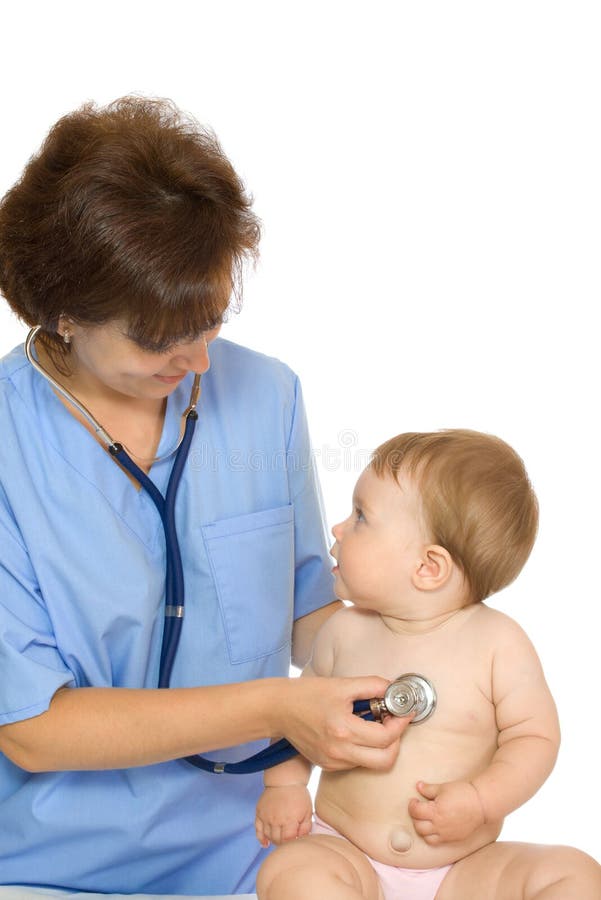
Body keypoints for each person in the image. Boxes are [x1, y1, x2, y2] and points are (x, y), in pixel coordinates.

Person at [0, 97, 408, 895]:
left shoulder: (268, 396)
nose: (199, 363)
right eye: (157, 339)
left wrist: (443, 635)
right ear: (62, 314)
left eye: (211, 321)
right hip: (54, 868)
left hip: (260, 843)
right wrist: (275, 709)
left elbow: (309, 617)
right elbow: (32, 729)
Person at [255, 430, 601, 899]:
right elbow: (300, 717)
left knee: (574, 874)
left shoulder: (498, 643)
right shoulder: (344, 633)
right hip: (347, 852)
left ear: (428, 567)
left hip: (462, 869)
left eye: (360, 517)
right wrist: (284, 785)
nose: (338, 529)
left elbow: (534, 738)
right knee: (293, 871)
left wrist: (481, 801)